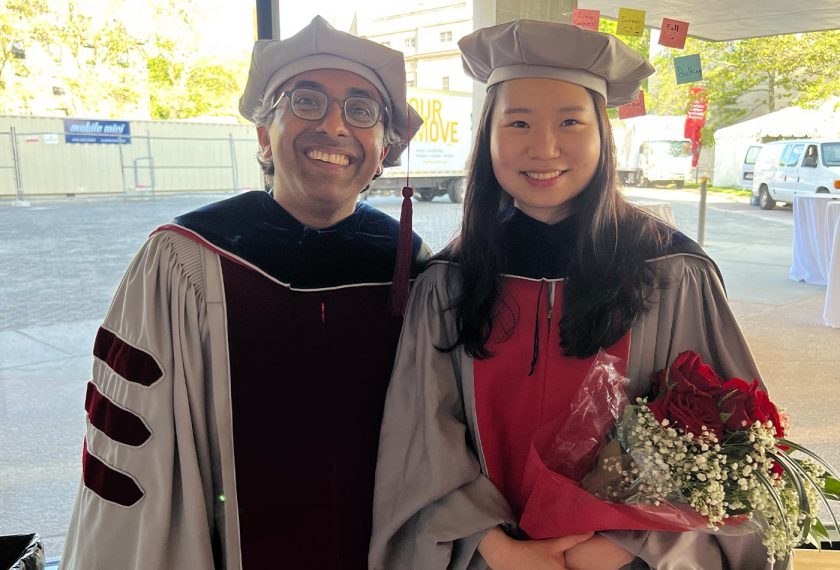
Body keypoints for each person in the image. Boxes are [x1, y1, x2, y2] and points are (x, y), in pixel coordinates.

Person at [370, 19, 784, 570]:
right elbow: (422, 435)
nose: (544, 147)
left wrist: (624, 544)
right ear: (488, 137)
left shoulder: (671, 271)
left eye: (570, 120)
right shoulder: (451, 280)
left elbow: (727, 442)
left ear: (603, 136)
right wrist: (492, 545)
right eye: (518, 122)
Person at [61, 15, 428, 570]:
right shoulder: (183, 260)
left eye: (361, 110)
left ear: (382, 151)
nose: (334, 126)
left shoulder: (413, 265)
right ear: (264, 134)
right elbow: (131, 457)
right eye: (306, 101)